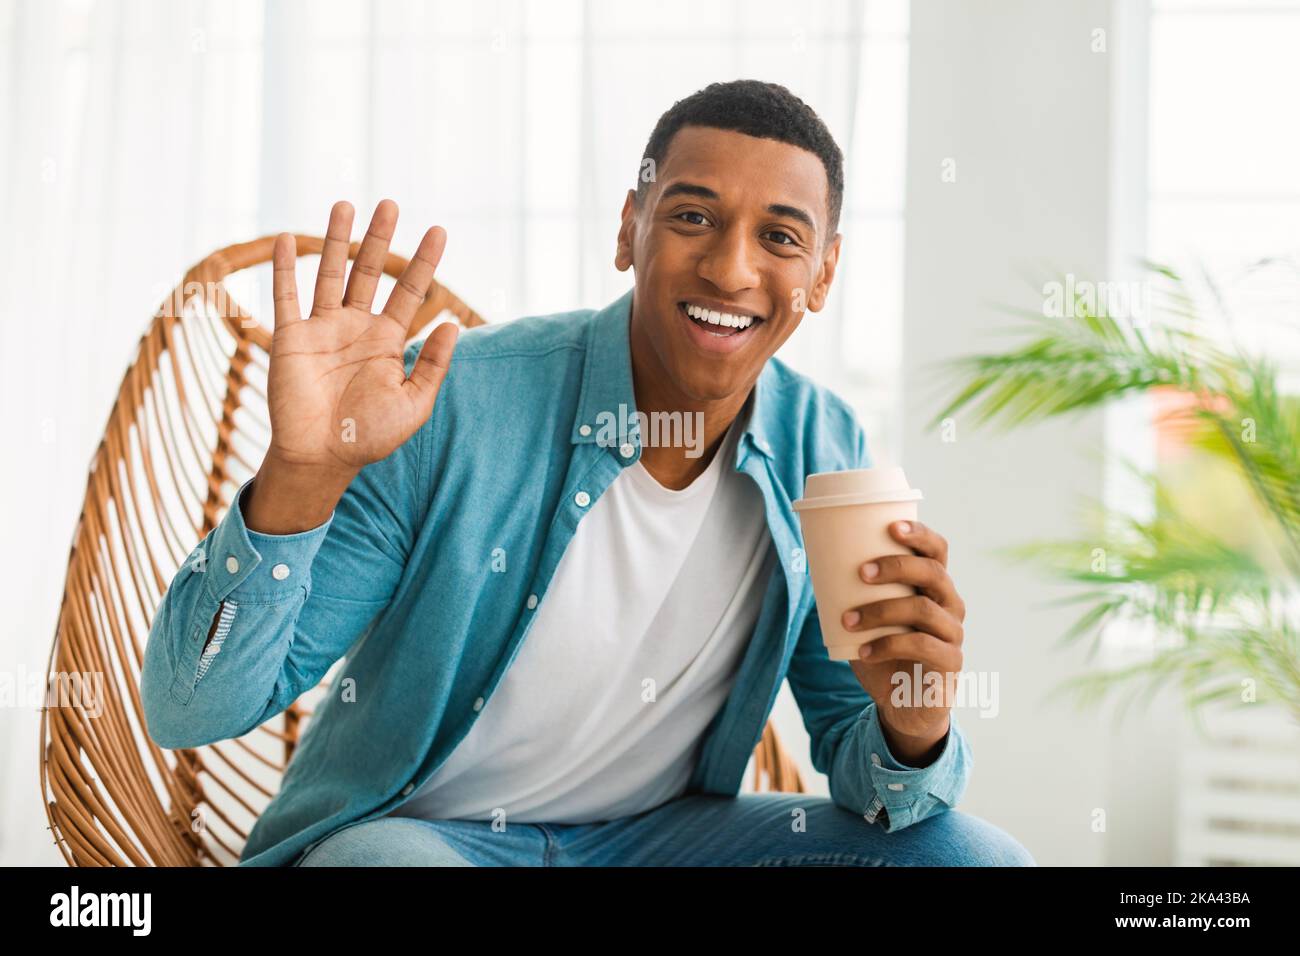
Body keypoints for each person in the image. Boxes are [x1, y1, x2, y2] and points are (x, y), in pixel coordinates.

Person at [141, 79, 1034, 867]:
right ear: (628, 229)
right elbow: (192, 711)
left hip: (662, 838)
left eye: (780, 237)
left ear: (823, 273)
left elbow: (871, 779)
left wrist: (913, 730)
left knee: (973, 858)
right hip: (422, 835)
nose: (731, 269)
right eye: (693, 217)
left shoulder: (824, 448)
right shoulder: (454, 406)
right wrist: (300, 474)